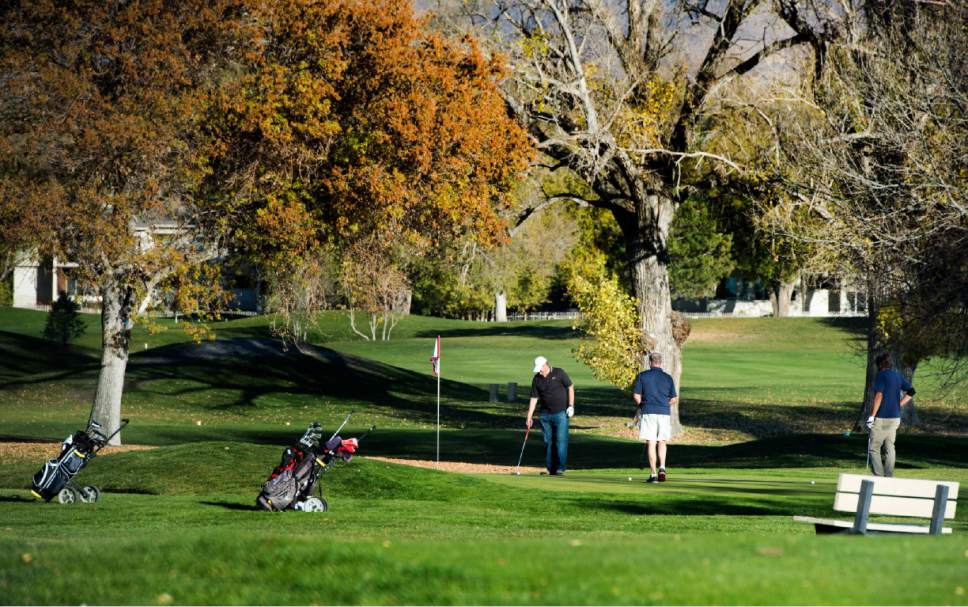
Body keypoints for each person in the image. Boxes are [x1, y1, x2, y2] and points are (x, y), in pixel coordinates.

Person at [632, 352, 678, 483]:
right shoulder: (668, 378)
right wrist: (665, 404)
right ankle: (662, 468)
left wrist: (641, 405)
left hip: (648, 411)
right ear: (660, 362)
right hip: (664, 412)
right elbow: (673, 398)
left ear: (650, 362)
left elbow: (636, 395)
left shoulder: (642, 376)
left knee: (651, 442)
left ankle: (653, 474)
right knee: (662, 441)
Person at [867, 353, 915, 477]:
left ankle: (878, 476)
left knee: (874, 447)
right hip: (895, 418)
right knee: (889, 446)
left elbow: (879, 396)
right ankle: (888, 476)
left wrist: (872, 416)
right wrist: (899, 404)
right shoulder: (897, 375)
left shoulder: (881, 375)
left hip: (882, 417)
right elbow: (911, 391)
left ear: (879, 365)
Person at [525, 356, 574, 476]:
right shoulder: (537, 379)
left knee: (561, 441)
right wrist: (529, 416)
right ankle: (550, 468)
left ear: (545, 365)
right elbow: (534, 398)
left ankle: (560, 468)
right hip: (545, 415)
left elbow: (570, 387)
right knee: (548, 442)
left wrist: (571, 405)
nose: (539, 371)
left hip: (561, 413)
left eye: (540, 368)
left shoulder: (559, 373)